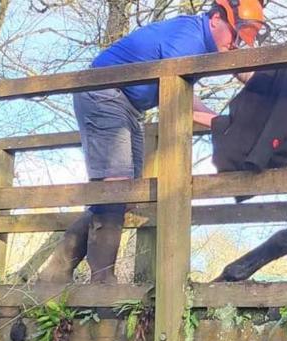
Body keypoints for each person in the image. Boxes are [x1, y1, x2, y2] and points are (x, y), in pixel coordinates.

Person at [37, 0, 266, 283]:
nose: (235, 43)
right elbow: (175, 97)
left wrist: (226, 115)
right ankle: (102, 284)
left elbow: (190, 89)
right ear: (216, 19)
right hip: (104, 93)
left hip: (127, 104)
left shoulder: (202, 44)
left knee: (128, 196)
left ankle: (55, 273)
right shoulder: (189, 39)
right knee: (117, 187)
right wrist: (222, 123)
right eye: (234, 34)